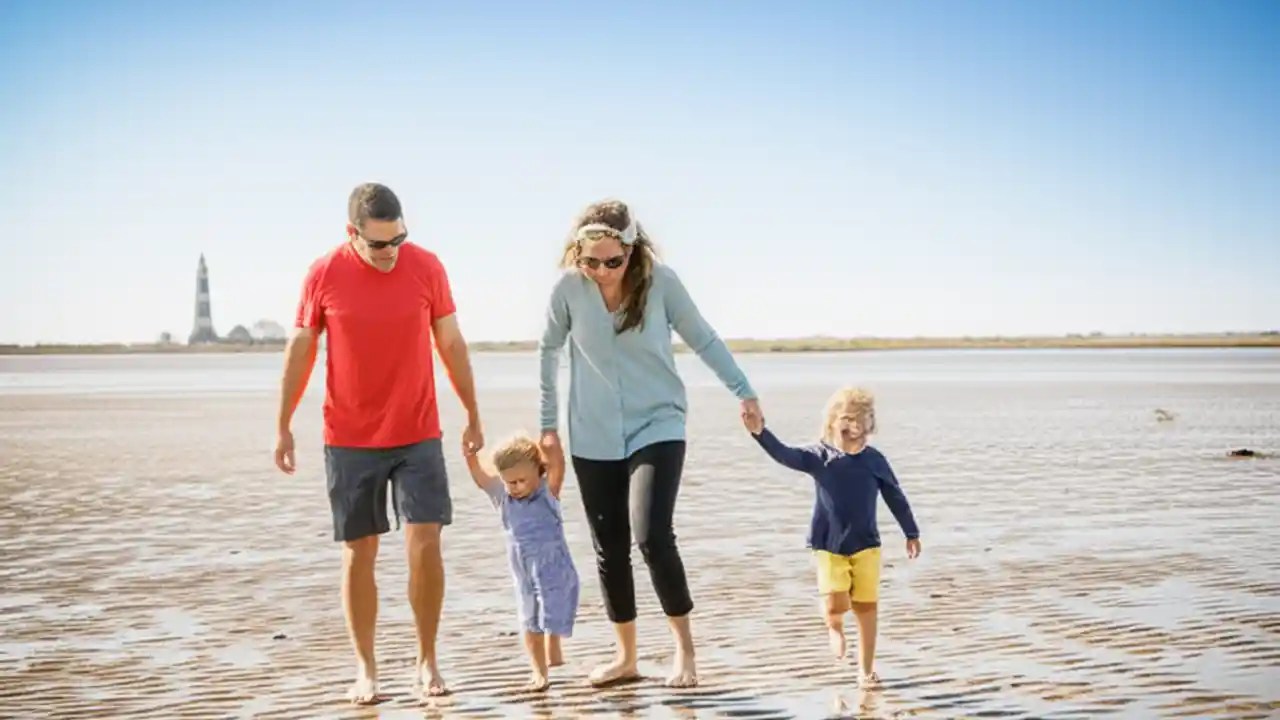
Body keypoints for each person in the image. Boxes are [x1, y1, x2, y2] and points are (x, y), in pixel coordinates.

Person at [273, 182, 483, 704]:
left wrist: (473, 413)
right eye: (380, 244)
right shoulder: (323, 274)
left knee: (426, 544)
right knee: (358, 553)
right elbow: (300, 349)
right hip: (349, 437)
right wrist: (283, 423)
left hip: (418, 432)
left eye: (399, 240)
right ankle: (366, 669)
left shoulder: (426, 267)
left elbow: (451, 342)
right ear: (353, 234)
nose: (392, 252)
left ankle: (427, 661)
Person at [538, 198, 762, 688]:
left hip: (658, 424)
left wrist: (743, 391)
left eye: (612, 261)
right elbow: (548, 351)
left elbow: (702, 338)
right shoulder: (569, 290)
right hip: (592, 433)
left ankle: (685, 652)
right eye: (590, 261)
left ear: (632, 250)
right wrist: (548, 426)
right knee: (609, 547)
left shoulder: (662, 282)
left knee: (652, 535)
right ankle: (627, 658)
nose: (601, 271)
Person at [742, 386, 922, 689]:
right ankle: (834, 626)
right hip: (828, 545)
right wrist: (761, 433)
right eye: (850, 431)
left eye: (863, 433)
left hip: (867, 545)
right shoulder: (818, 457)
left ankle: (866, 670)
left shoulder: (875, 460)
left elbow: (895, 495)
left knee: (866, 608)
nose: (857, 440)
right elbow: (784, 454)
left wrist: (911, 532)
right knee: (837, 604)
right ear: (833, 425)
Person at [463, 433, 580, 691]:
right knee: (529, 617)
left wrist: (551, 446)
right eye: (509, 482)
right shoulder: (503, 496)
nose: (514, 486)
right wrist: (470, 458)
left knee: (555, 609)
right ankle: (539, 672)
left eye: (520, 480)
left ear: (538, 473)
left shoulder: (547, 490)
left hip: (553, 567)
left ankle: (555, 644)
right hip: (524, 571)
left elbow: (558, 464)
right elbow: (483, 480)